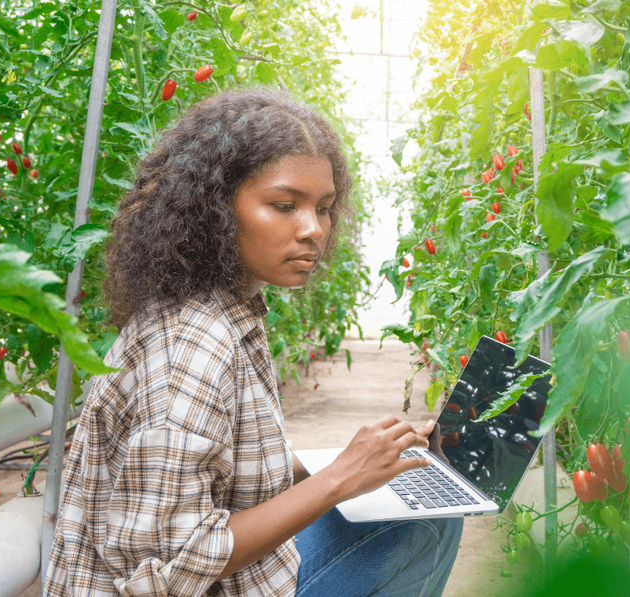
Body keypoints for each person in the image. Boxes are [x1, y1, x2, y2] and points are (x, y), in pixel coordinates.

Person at [43, 87, 463, 597]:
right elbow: (165, 572)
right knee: (424, 526)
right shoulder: (192, 347)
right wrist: (338, 481)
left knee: (430, 501)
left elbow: (221, 473)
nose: (313, 229)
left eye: (325, 208)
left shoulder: (227, 310)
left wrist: (354, 459)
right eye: (284, 205)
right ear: (215, 208)